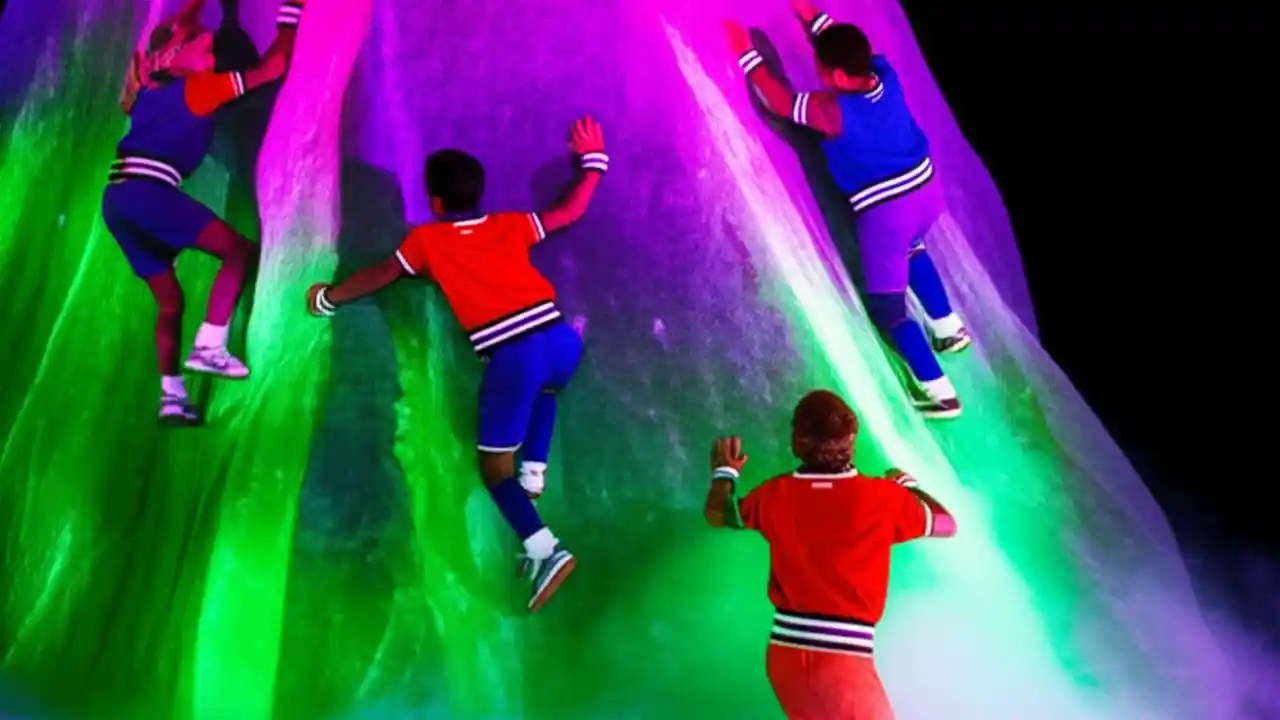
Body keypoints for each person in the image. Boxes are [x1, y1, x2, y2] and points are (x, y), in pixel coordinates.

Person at [304, 117, 610, 613]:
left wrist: (329, 298)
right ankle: (534, 473)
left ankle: (545, 549)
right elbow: (568, 212)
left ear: (436, 203)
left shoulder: (428, 241)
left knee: (493, 469)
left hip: (516, 355)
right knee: (547, 393)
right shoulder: (509, 224)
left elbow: (382, 275)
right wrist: (595, 162)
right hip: (560, 343)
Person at [724, 0, 971, 419]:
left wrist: (746, 53)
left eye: (821, 67)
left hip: (887, 214)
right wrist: (810, 15)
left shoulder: (831, 111)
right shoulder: (884, 73)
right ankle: (948, 329)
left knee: (889, 310)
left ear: (836, 76)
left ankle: (938, 391)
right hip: (926, 192)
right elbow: (841, 42)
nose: (818, 72)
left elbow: (779, 102)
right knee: (914, 249)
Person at [105, 0, 304, 426]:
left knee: (171, 302)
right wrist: (291, 12)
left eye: (211, 50)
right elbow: (273, 67)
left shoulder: (147, 90)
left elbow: (180, 28)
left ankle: (171, 395)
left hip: (119, 199)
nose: (209, 52)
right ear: (177, 55)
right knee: (239, 252)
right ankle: (210, 345)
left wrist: (212, 12)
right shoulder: (198, 89)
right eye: (205, 48)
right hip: (147, 192)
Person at [704, 389, 957, 719]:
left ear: (797, 441)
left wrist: (725, 472)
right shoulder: (882, 499)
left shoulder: (776, 493)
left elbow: (719, 514)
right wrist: (908, 484)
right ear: (851, 438)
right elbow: (945, 522)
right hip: (843, 662)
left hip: (785, 655)